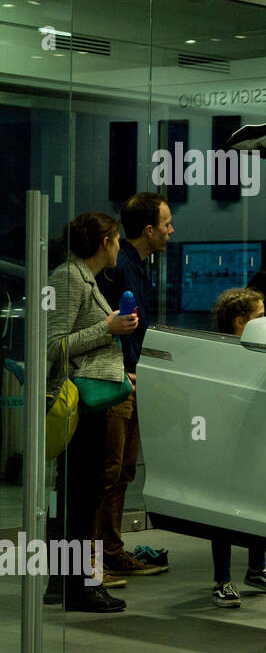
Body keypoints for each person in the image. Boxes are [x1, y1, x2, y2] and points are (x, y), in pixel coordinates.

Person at [46, 212, 137, 612]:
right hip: (76, 401)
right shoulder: (69, 278)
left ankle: (64, 582)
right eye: (117, 240)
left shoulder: (83, 278)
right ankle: (77, 585)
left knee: (79, 493)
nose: (119, 247)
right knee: (80, 494)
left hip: (88, 399)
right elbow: (52, 345)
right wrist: (108, 329)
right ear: (106, 242)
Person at [95, 192, 172, 577]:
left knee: (124, 469)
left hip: (132, 377)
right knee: (110, 471)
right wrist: (124, 368)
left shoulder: (136, 266)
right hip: (118, 381)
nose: (171, 231)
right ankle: (96, 557)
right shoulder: (120, 267)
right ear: (148, 229)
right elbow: (107, 326)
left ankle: (110, 550)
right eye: (166, 224)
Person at [208, 287, 266, 608]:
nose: (265, 323)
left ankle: (256, 568)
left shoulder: (261, 352)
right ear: (240, 321)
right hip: (226, 440)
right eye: (260, 317)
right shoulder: (221, 355)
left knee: (257, 501)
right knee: (223, 509)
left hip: (256, 437)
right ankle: (222, 580)